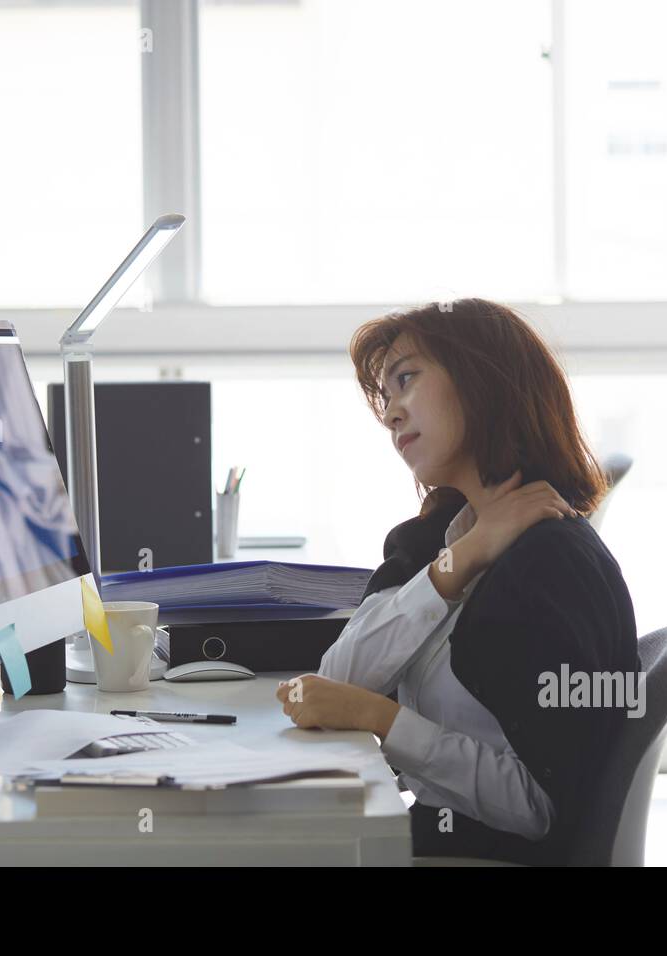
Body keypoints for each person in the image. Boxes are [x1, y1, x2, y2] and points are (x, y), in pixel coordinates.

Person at [274, 298, 640, 865]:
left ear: (482, 384)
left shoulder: (552, 563)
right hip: (435, 834)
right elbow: (337, 679)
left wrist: (382, 720)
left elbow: (537, 807)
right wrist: (457, 563)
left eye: (407, 379)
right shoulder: (443, 539)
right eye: (386, 395)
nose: (391, 413)